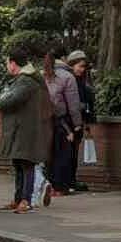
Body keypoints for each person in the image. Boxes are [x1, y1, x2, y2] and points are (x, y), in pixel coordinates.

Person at [0, 46, 47, 213]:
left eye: (7, 62)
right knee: (18, 164)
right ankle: (18, 198)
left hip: (25, 129)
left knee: (26, 164)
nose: (6, 66)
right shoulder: (23, 79)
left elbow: (10, 98)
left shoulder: (26, 81)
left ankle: (25, 199)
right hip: (19, 128)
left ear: (13, 63)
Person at [45, 46, 83, 197]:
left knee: (50, 154)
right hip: (63, 121)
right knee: (64, 154)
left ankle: (51, 184)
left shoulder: (44, 74)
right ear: (65, 58)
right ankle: (60, 187)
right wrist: (77, 124)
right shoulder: (67, 76)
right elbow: (73, 104)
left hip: (46, 119)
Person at [66, 51, 95, 192]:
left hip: (79, 120)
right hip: (70, 121)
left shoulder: (82, 81)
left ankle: (71, 179)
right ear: (71, 65)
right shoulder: (70, 80)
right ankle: (67, 180)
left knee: (74, 152)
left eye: (84, 67)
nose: (82, 69)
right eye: (80, 66)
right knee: (68, 153)